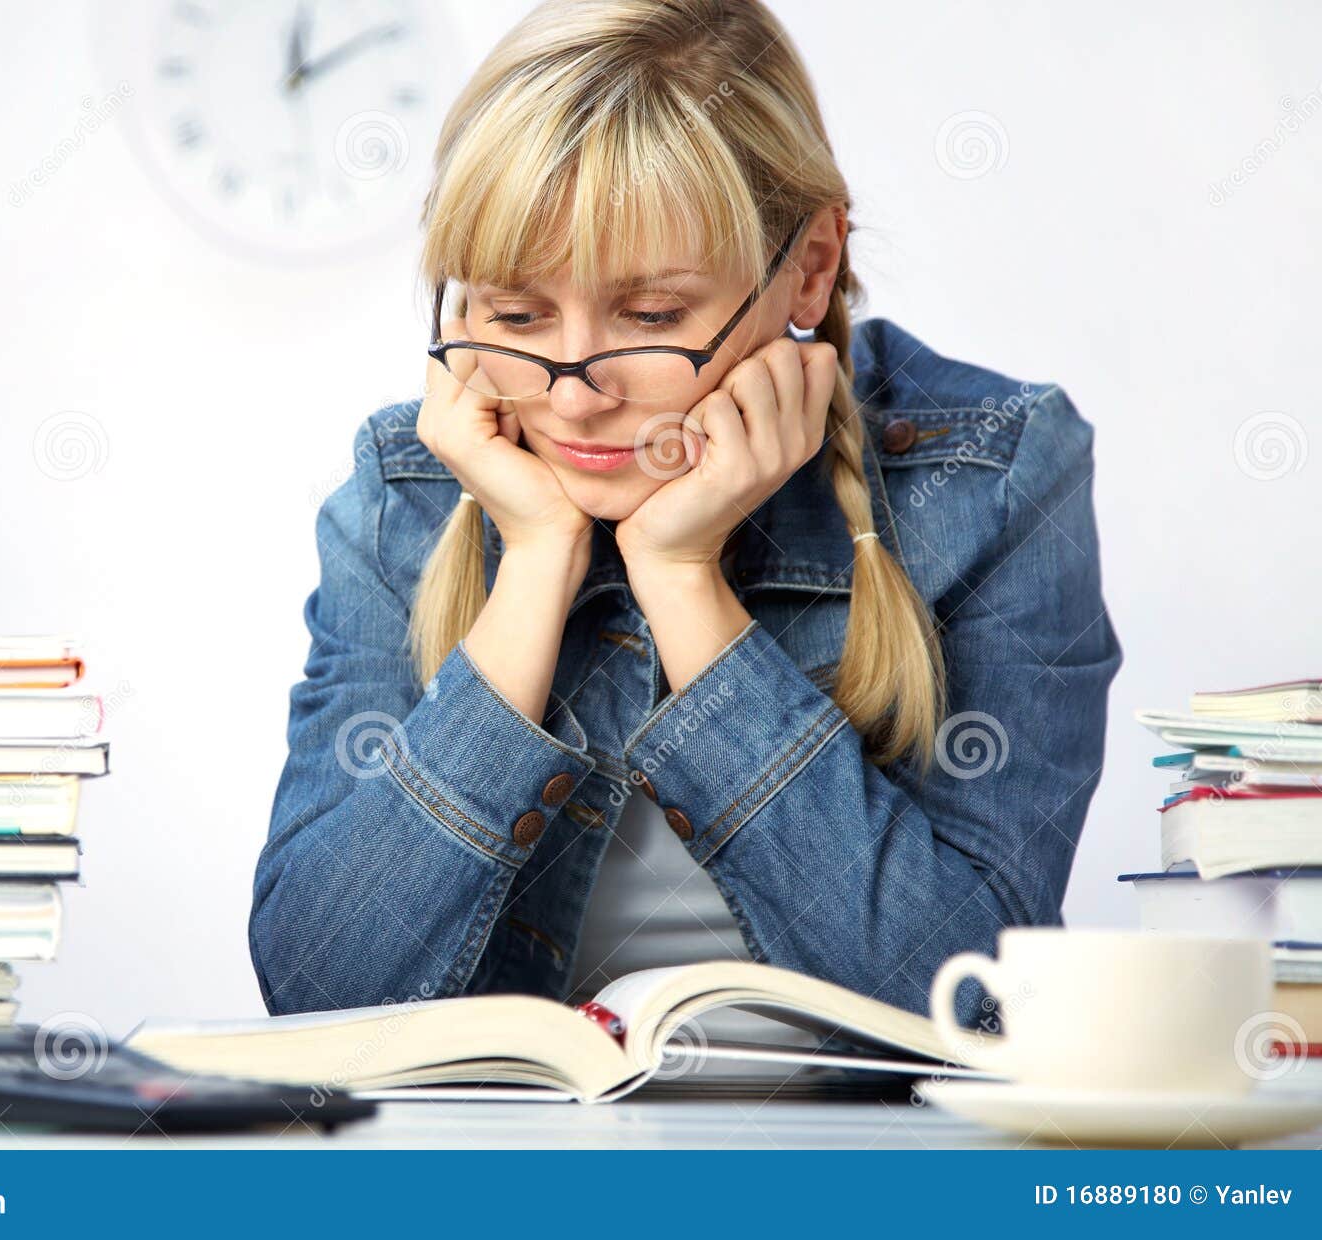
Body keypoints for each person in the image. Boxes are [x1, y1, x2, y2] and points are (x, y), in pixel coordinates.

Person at [250, 0, 1122, 1021]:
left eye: (650, 315)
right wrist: (533, 563)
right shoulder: (405, 491)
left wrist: (681, 579)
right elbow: (317, 990)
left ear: (809, 263)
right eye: (515, 313)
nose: (573, 394)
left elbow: (963, 1002)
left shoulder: (990, 478)